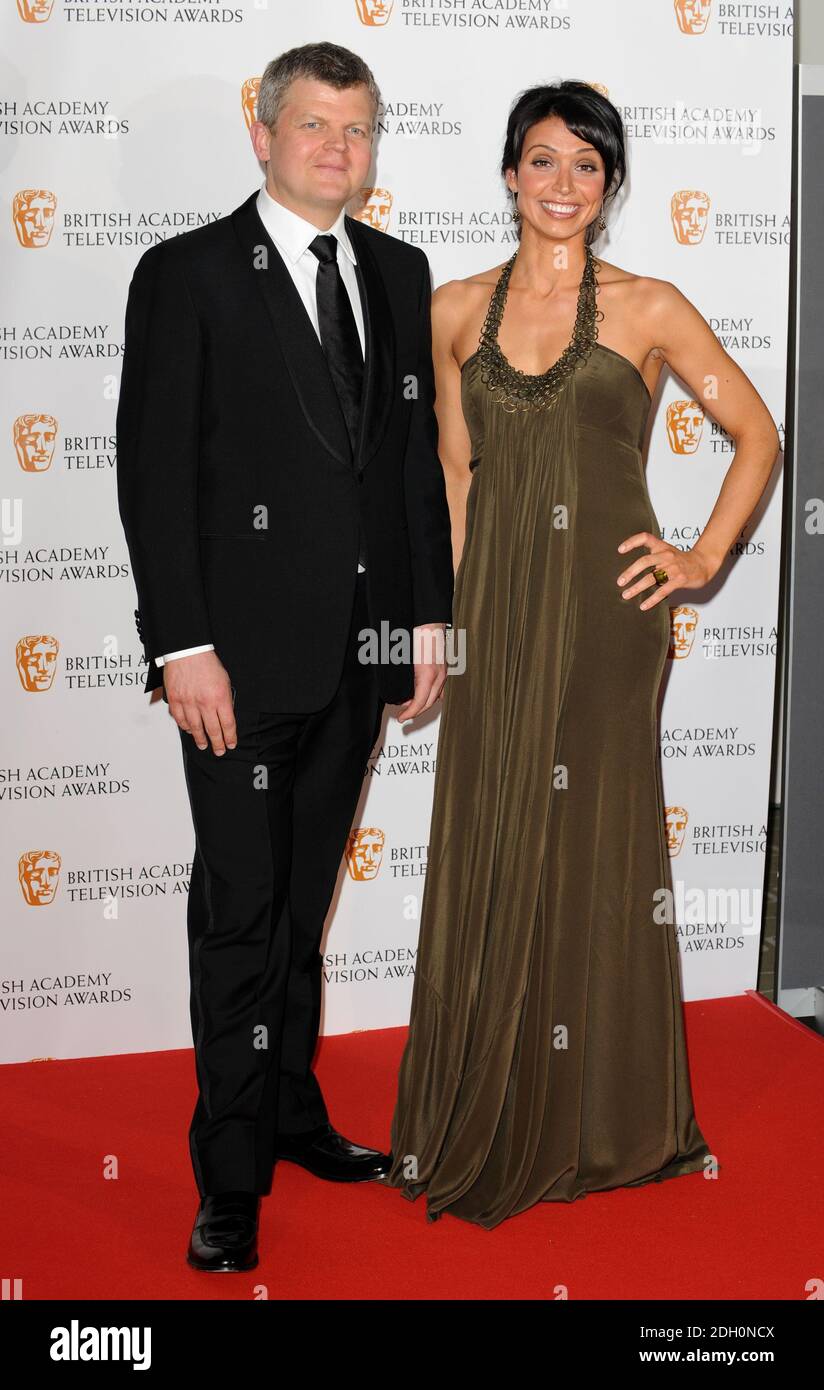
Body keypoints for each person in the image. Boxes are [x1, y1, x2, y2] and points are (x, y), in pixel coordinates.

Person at [382, 81, 780, 1229]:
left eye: (585, 166)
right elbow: (454, 476)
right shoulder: (453, 308)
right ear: (508, 172)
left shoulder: (650, 305)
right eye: (541, 161)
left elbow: (755, 432)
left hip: (609, 613)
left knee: (593, 834)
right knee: (493, 828)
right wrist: (446, 619)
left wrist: (700, 553)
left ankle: (601, 1113)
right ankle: (491, 1098)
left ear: (608, 185)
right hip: (496, 609)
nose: (561, 185)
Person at [115, 42, 453, 1270]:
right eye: (312, 126)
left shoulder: (400, 271)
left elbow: (409, 468)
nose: (336, 149)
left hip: (359, 658)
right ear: (262, 135)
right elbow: (152, 479)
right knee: (242, 917)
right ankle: (229, 1173)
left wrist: (426, 622)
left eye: (356, 130)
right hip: (236, 671)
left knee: (303, 910)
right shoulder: (189, 273)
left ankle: (294, 1112)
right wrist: (180, 647)